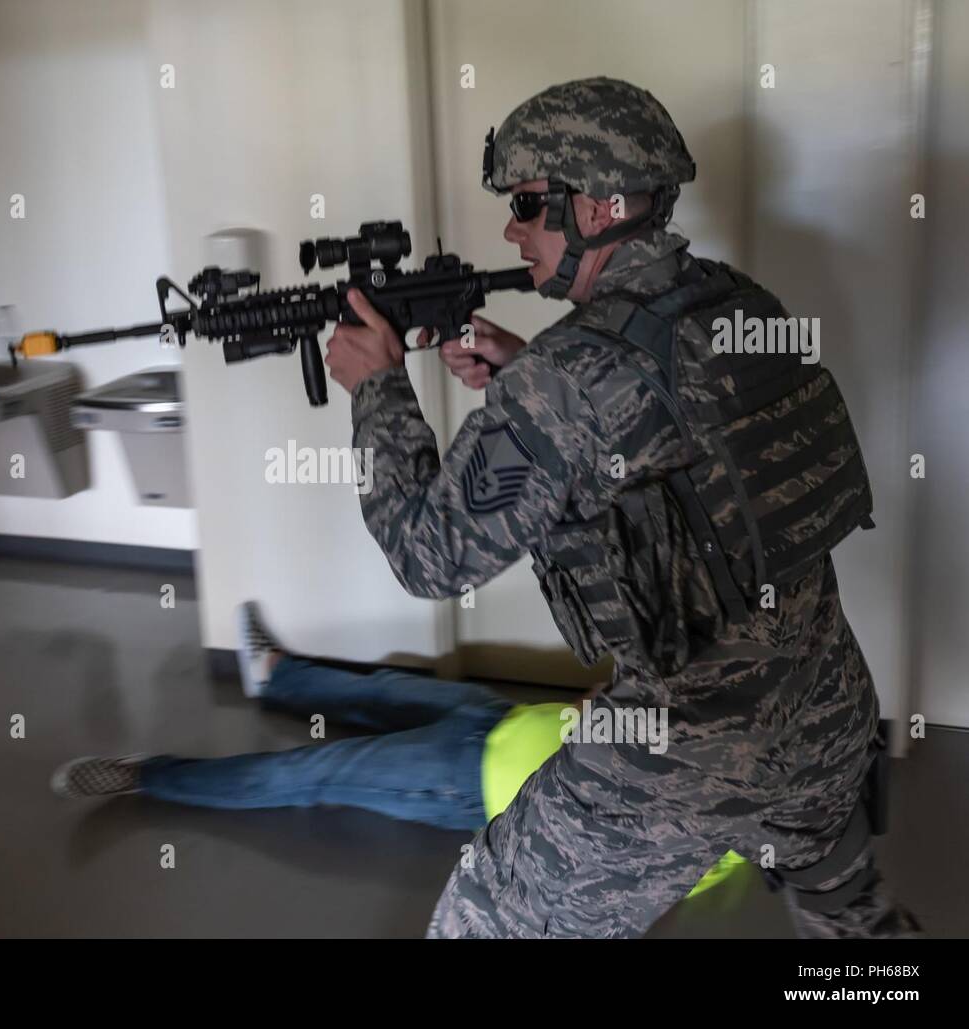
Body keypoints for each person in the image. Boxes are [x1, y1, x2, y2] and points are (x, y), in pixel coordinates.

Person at [321, 77, 918, 938]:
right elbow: (682, 450)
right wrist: (528, 372)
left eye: (528, 204)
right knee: (853, 923)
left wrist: (378, 389)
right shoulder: (738, 300)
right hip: (827, 709)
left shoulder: (565, 378)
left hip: (693, 748)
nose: (510, 228)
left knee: (480, 921)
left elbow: (428, 556)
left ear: (599, 208)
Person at [51, 602, 747, 902]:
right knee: (387, 688)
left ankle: (148, 775)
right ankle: (276, 674)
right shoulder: (742, 743)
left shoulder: (722, 842)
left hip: (466, 780)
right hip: (504, 719)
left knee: (316, 771)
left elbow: (611, 848)